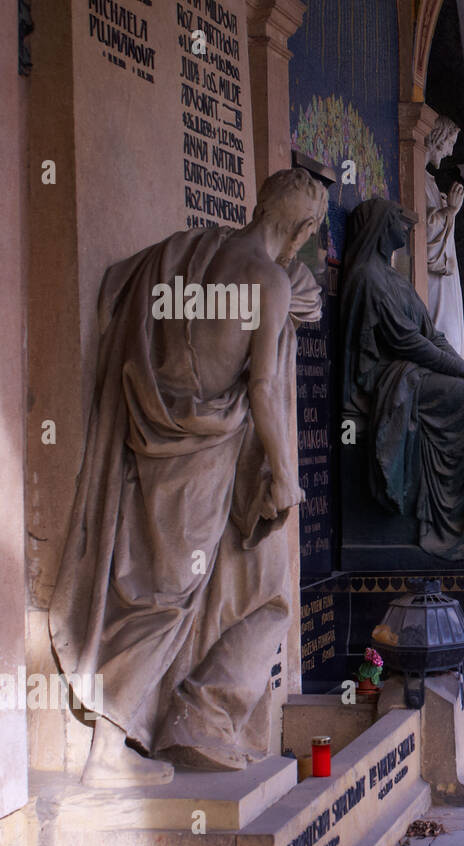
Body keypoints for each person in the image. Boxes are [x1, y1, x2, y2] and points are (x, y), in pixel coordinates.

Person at [51, 168, 328, 785]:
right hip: (205, 462)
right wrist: (285, 476)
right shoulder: (268, 281)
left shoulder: (186, 253)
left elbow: (122, 289)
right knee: (172, 597)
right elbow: (261, 387)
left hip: (155, 440)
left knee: (185, 587)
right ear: (303, 228)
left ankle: (193, 721)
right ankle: (109, 751)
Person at [340, 197, 464, 565]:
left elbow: (431, 335)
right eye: (397, 219)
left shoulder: (394, 278)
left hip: (417, 373)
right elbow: (408, 343)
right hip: (395, 381)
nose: (405, 226)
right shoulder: (369, 278)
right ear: (379, 228)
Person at [425, 114, 464, 357]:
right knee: (443, 337)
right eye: (450, 143)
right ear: (438, 137)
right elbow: (425, 231)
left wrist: (448, 210)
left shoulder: (430, 182)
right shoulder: (420, 180)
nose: (450, 152)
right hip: (435, 278)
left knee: (450, 337)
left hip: (444, 278)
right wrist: (450, 210)